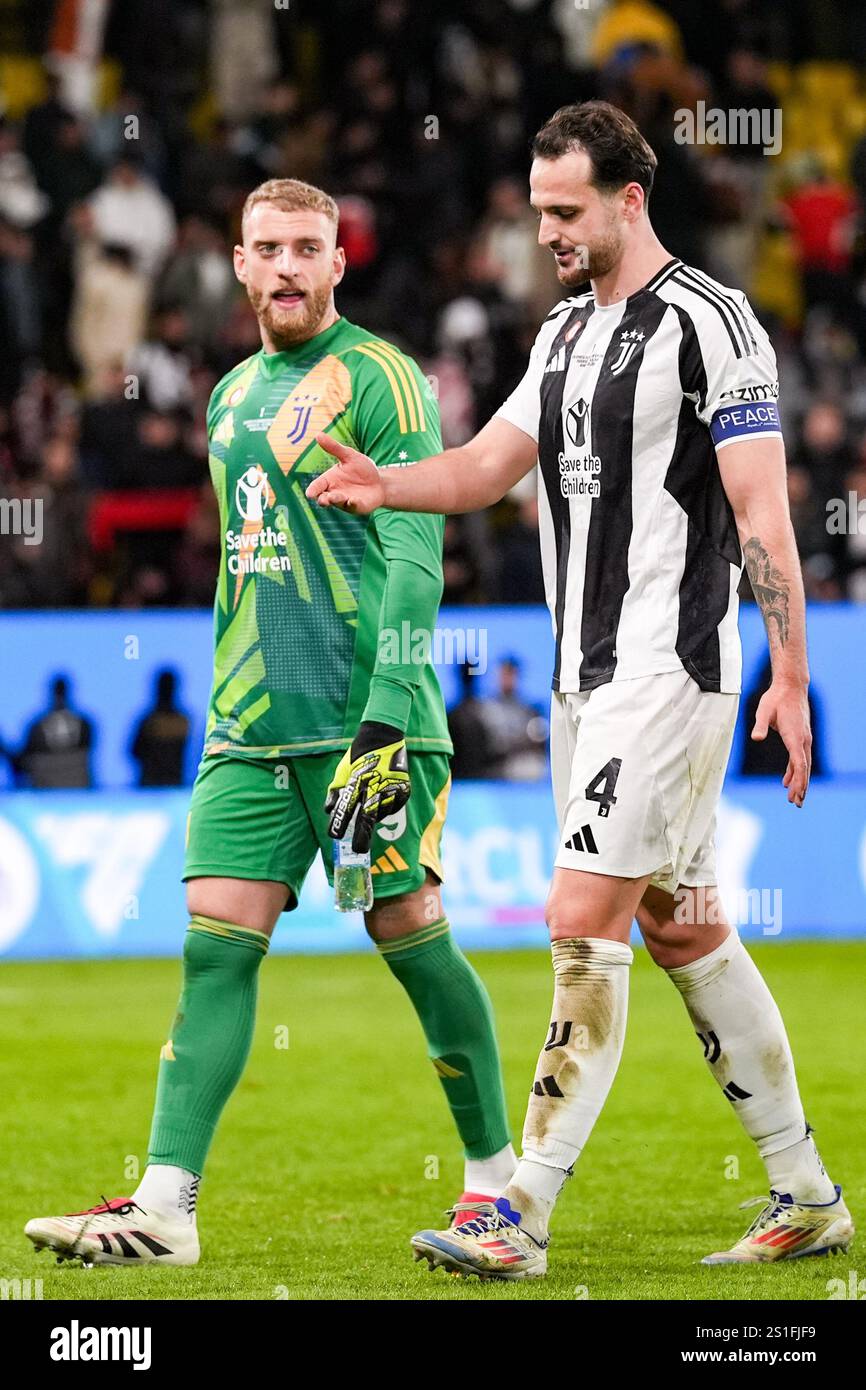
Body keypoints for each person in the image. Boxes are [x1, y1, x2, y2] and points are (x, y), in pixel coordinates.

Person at [307, 101, 854, 1278]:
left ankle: (518, 1210)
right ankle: (806, 1193)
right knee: (683, 924)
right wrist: (388, 483)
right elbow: (482, 467)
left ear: (626, 200)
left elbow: (760, 511)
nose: (545, 231)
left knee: (577, 919)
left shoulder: (714, 324)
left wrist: (792, 675)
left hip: (671, 668)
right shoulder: (560, 334)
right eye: (536, 209)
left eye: (564, 210)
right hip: (579, 681)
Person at [24, 178, 514, 1268]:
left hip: (365, 720)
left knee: (411, 937)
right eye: (267, 248)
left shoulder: (382, 377)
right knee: (212, 951)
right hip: (248, 727)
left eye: (306, 247)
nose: (286, 265)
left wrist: (385, 722)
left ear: (338, 262)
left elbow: (416, 558)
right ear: (239, 266)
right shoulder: (229, 395)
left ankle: (496, 1189)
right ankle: (165, 1208)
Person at [15, 675, 93, 789]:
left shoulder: (37, 726)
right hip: (76, 785)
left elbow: (24, 760)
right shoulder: (84, 724)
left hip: (46, 787)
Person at [130, 668, 191, 787]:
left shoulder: (148, 720)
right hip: (166, 784)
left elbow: (134, 751)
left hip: (159, 783)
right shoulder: (182, 721)